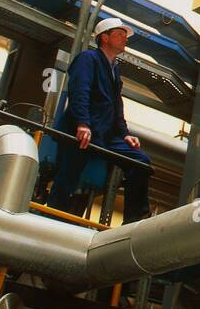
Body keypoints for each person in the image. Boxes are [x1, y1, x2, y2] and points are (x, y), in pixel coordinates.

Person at [48, 16, 151, 223]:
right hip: (82, 130)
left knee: (141, 162)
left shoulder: (114, 69)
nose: (124, 39)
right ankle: (52, 214)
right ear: (104, 38)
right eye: (120, 35)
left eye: (125, 35)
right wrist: (82, 123)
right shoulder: (88, 59)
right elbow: (80, 91)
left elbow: (116, 105)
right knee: (69, 174)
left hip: (105, 133)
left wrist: (125, 135)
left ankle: (134, 217)